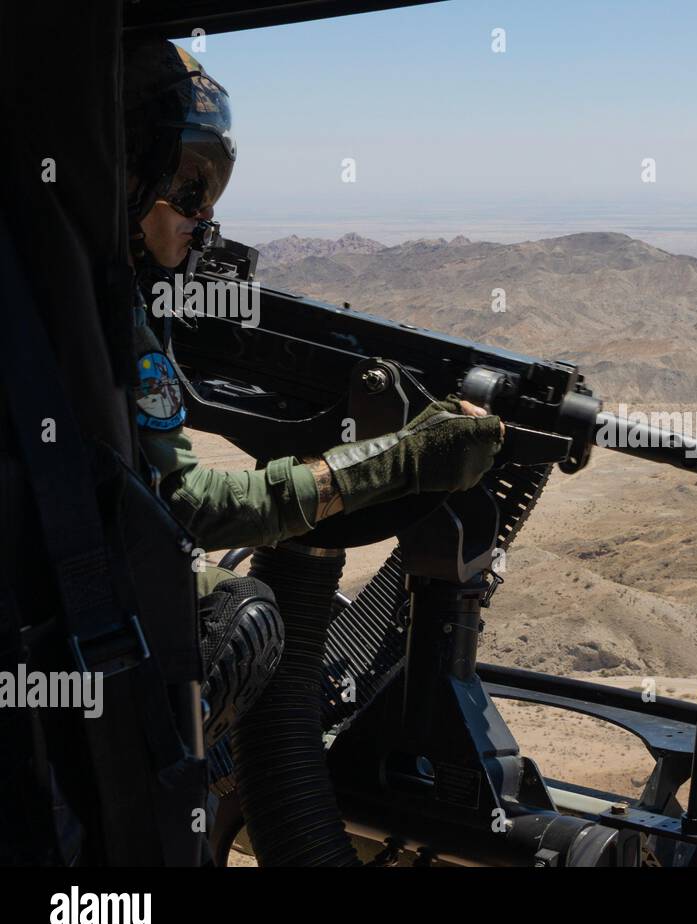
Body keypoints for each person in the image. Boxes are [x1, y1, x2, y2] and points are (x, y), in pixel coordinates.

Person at [124, 40, 504, 748]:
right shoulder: (99, 320)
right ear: (122, 169)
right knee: (241, 620)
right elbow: (191, 508)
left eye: (212, 192)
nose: (202, 215)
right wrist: (399, 461)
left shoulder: (71, 293)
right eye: (188, 186)